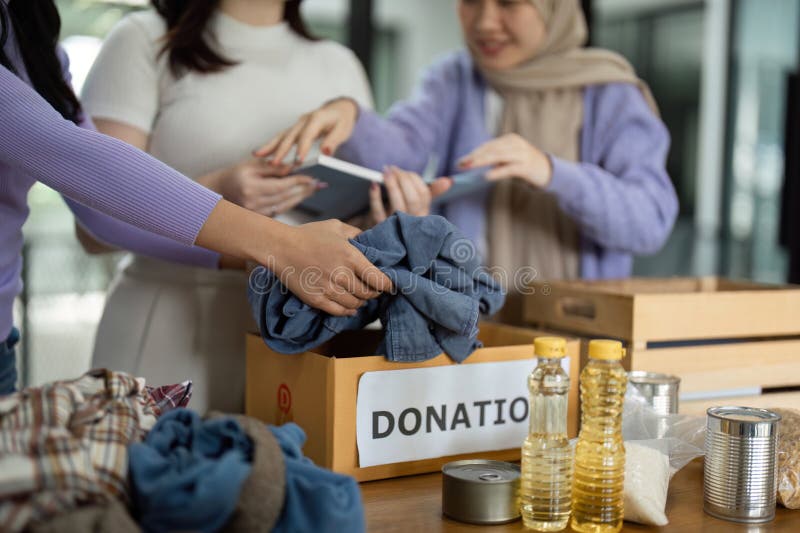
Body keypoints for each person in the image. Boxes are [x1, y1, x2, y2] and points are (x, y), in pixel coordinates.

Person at [0, 0, 391, 396]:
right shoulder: (141, 39)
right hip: (165, 333)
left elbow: (92, 186)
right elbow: (93, 192)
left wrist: (378, 225)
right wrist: (275, 241)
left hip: (294, 346)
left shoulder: (30, 35)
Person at [257, 0, 679, 323]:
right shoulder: (454, 78)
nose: (484, 22)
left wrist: (550, 171)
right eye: (471, 1)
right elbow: (398, 152)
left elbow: (649, 221)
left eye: (509, 2)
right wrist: (349, 115)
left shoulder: (611, 93)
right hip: (469, 325)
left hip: (578, 332)